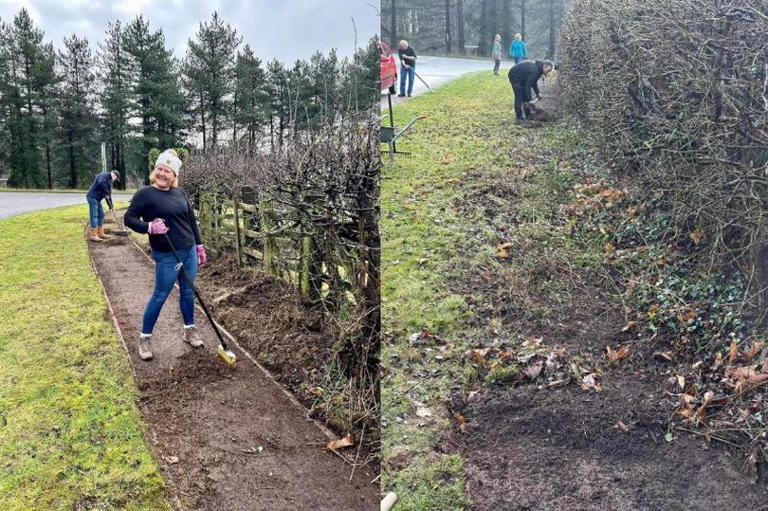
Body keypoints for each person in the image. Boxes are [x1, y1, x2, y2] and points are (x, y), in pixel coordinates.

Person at [124, 149, 207, 361]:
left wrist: (199, 245)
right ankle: (145, 338)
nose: (162, 174)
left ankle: (189, 330)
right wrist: (149, 227)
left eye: (167, 171)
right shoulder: (145, 194)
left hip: (188, 252)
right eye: (160, 169)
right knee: (160, 295)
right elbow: (129, 219)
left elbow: (191, 221)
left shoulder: (180, 194)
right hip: (166, 255)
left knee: (188, 293)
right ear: (155, 171)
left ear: (174, 176)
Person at [85, 170, 119, 242]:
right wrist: (106, 191)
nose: (115, 180)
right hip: (92, 197)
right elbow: (100, 183)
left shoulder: (109, 182)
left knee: (101, 214)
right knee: (94, 215)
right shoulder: (103, 175)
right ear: (114, 175)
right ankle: (93, 235)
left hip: (97, 199)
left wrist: (111, 206)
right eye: (116, 178)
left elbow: (108, 196)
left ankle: (100, 233)